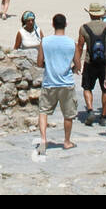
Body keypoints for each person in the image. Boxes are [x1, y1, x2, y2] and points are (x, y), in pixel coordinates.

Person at [36, 13, 77, 154]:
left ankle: (43, 139)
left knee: (43, 111)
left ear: (53, 24)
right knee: (68, 114)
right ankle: (66, 141)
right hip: (66, 83)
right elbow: (78, 64)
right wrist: (71, 68)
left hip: (49, 82)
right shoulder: (72, 43)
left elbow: (39, 62)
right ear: (66, 24)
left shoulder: (45, 41)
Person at [76, 3, 106, 126]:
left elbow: (80, 46)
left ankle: (90, 110)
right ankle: (103, 115)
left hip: (89, 62)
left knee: (87, 88)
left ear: (90, 14)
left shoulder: (84, 28)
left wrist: (76, 63)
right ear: (101, 14)